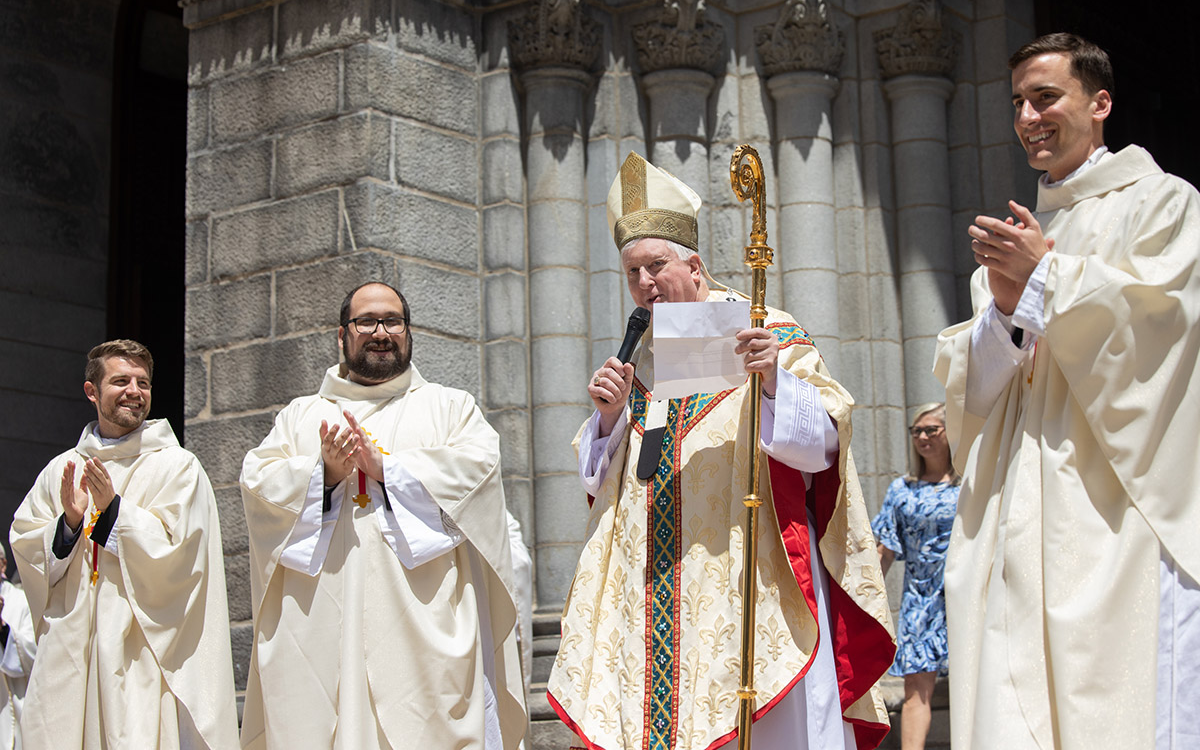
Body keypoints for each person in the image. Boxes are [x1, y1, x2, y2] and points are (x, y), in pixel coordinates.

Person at [548, 152, 895, 750]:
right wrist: (608, 422)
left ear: (695, 264)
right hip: (658, 596)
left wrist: (774, 381)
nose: (645, 285)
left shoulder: (765, 329)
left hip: (751, 582)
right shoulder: (641, 364)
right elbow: (615, 491)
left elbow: (824, 448)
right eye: (632, 274)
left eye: (656, 266)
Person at [934, 32, 1200, 749]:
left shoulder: (1163, 204)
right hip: (1018, 512)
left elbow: (1167, 332)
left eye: (1045, 97)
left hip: (1113, 512)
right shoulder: (1022, 235)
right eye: (1017, 102)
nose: (1027, 116)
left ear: (1100, 102)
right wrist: (1002, 309)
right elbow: (979, 393)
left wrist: (1045, 281)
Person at [239, 282, 526, 750]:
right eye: (367, 321)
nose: (380, 332)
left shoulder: (449, 407)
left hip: (423, 633)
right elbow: (258, 482)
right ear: (341, 335)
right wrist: (324, 474)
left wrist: (387, 469)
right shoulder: (301, 415)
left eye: (392, 321)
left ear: (408, 332)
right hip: (320, 633)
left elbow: (479, 471)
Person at [9, 339, 239, 749]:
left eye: (143, 383)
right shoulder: (61, 469)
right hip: (70, 651)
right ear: (91, 391)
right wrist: (70, 523)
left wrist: (115, 512)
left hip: (141, 651)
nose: (135, 391)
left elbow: (184, 556)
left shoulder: (176, 466)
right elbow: (27, 548)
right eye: (121, 381)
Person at [870, 403, 959, 750]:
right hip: (920, 600)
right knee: (915, 691)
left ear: (951, 433)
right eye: (917, 431)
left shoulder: (971, 484)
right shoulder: (902, 490)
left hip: (962, 594)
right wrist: (865, 597)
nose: (923, 437)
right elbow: (886, 548)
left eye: (932, 429)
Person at [0, 544, 35, 750]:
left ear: (3, 565)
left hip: (11, 710)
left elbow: (34, 655)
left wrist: (3, 630)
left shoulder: (22, 601)